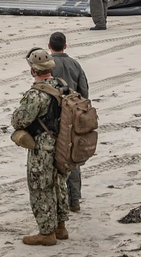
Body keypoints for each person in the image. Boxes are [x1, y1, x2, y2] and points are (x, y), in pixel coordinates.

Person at [11, 48, 71, 245]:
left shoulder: (36, 94)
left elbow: (19, 120)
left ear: (33, 70)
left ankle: (47, 233)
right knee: (58, 183)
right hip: (62, 145)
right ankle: (60, 226)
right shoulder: (62, 85)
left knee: (40, 187)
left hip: (43, 148)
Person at [48, 31, 88, 212]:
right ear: (65, 46)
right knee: (73, 158)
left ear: (49, 46)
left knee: (51, 160)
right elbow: (84, 92)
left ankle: (56, 202)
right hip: (73, 119)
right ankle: (75, 201)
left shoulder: (46, 65)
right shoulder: (75, 64)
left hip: (52, 120)